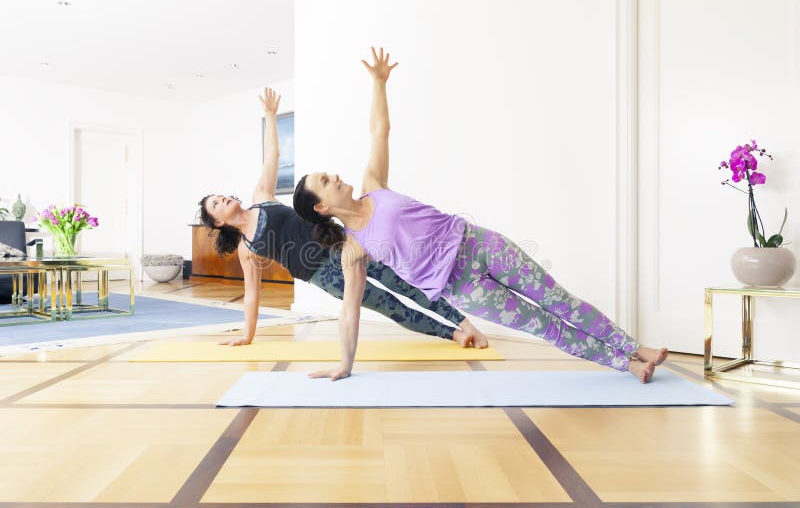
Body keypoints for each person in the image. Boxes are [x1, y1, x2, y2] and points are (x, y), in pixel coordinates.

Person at [293, 47, 668, 383]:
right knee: (548, 328)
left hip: (478, 244)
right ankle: (629, 365)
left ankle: (637, 348)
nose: (335, 176)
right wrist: (345, 363)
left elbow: (380, 132)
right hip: (464, 289)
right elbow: (349, 312)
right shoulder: (354, 249)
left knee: (561, 301)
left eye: (330, 173)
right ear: (321, 207)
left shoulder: (373, 184)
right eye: (325, 181)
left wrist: (379, 83)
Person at [198, 86, 486, 349]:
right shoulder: (246, 249)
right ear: (218, 222)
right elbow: (252, 294)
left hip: (343, 245)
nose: (222, 199)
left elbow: (272, 155)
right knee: (389, 305)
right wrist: (247, 336)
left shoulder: (261, 196)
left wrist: (271, 116)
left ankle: (465, 323)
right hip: (322, 275)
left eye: (220, 196)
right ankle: (453, 334)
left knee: (406, 284)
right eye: (215, 204)